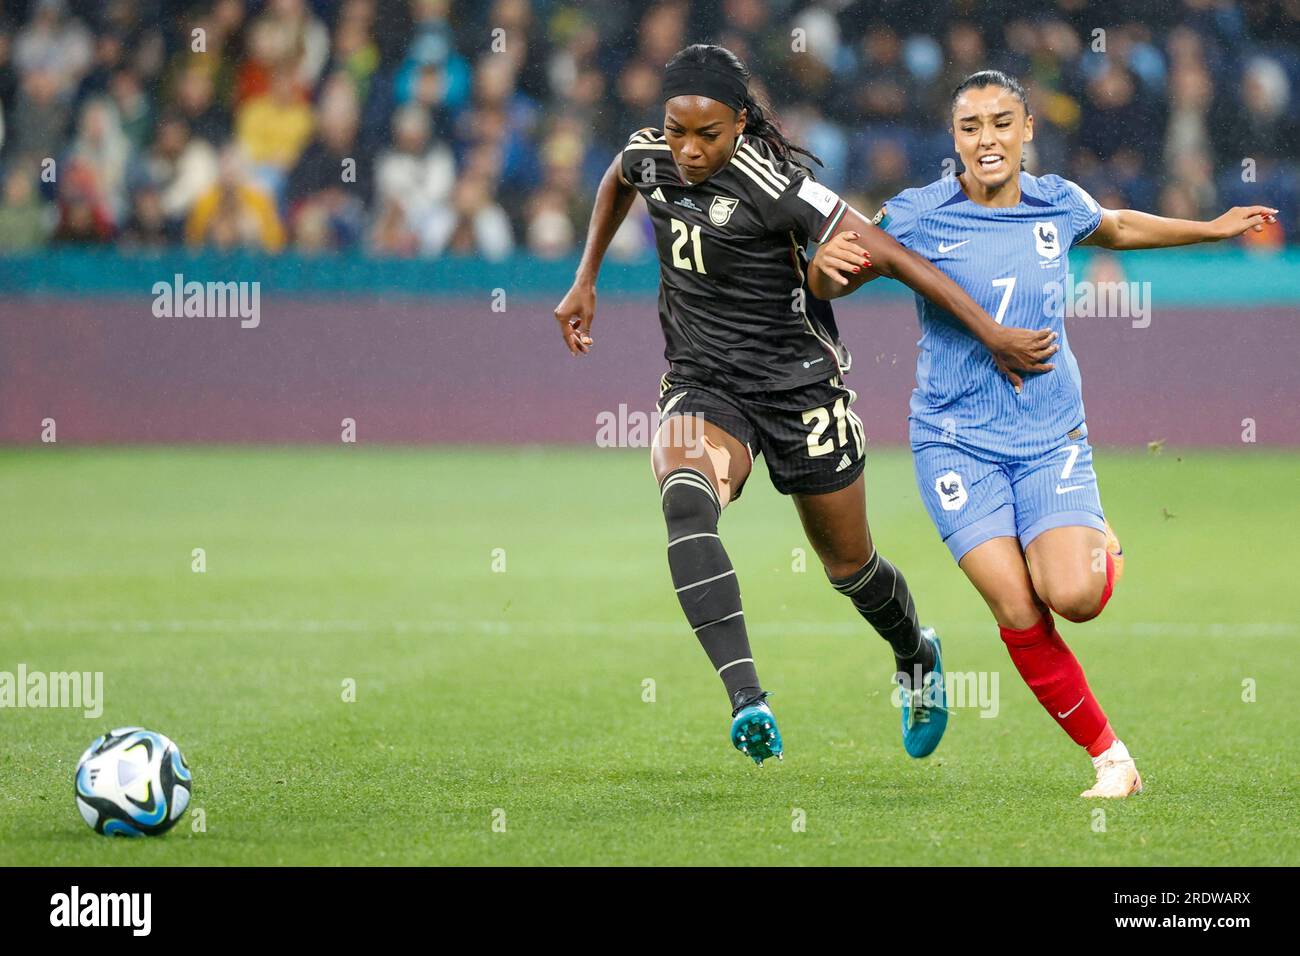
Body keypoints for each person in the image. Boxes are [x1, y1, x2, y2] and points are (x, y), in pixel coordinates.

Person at [554, 47, 1057, 766]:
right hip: (704, 382)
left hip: (801, 390)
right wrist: (586, 279)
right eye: (676, 131)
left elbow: (890, 254)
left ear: (740, 124)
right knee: (686, 502)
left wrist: (993, 333)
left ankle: (915, 653)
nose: (688, 151)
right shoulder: (648, 154)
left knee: (849, 568)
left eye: (708, 135)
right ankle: (748, 701)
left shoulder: (777, 184)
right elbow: (618, 177)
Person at [810, 69, 1278, 796]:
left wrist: (1210, 228)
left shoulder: (1058, 201)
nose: (987, 139)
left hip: (1048, 434)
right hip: (954, 440)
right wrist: (825, 273)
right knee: (1017, 604)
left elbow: (1118, 225)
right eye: (971, 127)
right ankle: (1112, 760)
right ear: (954, 139)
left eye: (1002, 123)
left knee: (1076, 597)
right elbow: (843, 274)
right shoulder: (917, 214)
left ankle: (1101, 545)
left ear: (1028, 129)